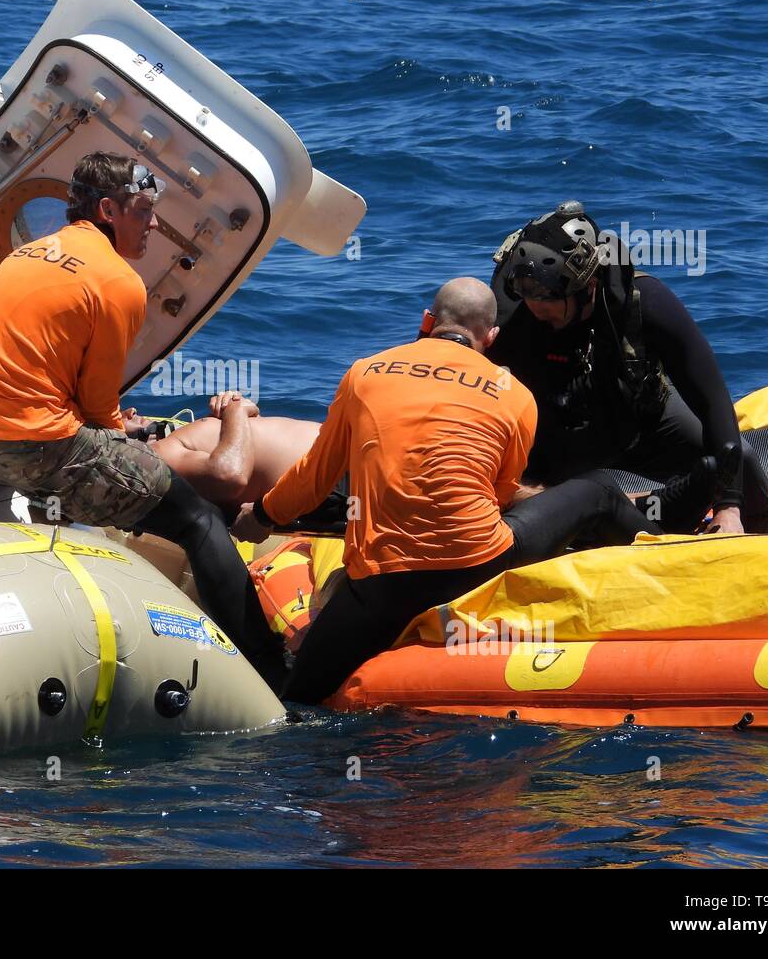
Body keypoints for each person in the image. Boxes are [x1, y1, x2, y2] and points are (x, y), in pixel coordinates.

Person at [0, 151, 285, 686]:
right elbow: (99, 418)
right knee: (198, 519)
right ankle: (268, 670)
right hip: (30, 448)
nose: (153, 226)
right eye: (143, 211)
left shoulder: (26, 254)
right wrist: (134, 436)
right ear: (107, 209)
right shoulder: (119, 282)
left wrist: (118, 426)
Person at [232, 278, 660, 704]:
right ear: (490, 337)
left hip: (381, 589)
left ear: (427, 321)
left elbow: (312, 478)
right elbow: (499, 496)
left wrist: (262, 517)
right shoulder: (516, 396)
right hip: (474, 567)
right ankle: (671, 558)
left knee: (295, 699)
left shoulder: (365, 373)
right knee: (598, 492)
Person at [486, 201, 768, 534]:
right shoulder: (510, 317)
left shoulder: (644, 301)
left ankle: (757, 541)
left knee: (743, 463)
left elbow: (712, 401)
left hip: (638, 420)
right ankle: (623, 517)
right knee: (553, 500)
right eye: (529, 300)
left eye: (550, 307)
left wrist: (729, 508)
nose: (538, 312)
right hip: (554, 439)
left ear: (588, 286)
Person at [121, 393, 323, 514]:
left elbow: (258, 451)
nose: (130, 410)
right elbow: (230, 475)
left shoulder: (169, 444)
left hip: (335, 456)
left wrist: (237, 412)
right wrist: (236, 411)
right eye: (115, 414)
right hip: (330, 476)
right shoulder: (158, 453)